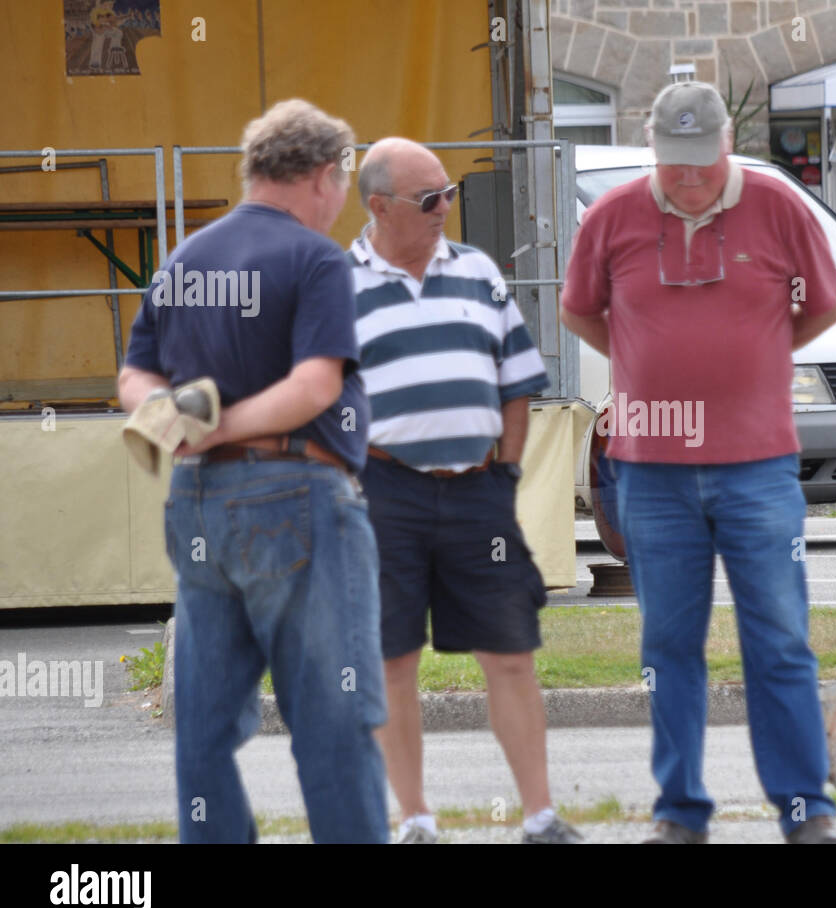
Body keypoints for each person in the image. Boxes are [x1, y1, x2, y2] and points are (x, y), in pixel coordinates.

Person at [561, 82, 836, 844]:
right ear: (652, 144)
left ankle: (804, 809)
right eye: (673, 162)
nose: (688, 177)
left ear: (727, 143)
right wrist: (641, 361)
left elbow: (825, 303)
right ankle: (679, 811)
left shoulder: (780, 207)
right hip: (651, 472)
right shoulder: (614, 215)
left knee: (781, 638)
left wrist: (757, 359)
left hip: (757, 466)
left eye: (702, 161)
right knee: (667, 644)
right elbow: (577, 307)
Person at [118, 99, 390, 843]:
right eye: (345, 184)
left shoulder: (184, 258)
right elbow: (315, 387)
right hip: (296, 495)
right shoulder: (315, 258)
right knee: (334, 721)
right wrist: (231, 425)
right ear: (324, 175)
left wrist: (179, 428)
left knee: (203, 728)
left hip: (198, 503)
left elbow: (134, 377)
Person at [350, 137, 580, 844]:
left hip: (480, 489)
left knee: (511, 650)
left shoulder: (479, 272)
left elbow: (517, 382)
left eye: (447, 192)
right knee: (393, 659)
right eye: (430, 199)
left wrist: (506, 473)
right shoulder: (337, 285)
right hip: (387, 491)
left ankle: (540, 816)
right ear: (379, 206)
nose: (446, 207)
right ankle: (416, 820)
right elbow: (319, 393)